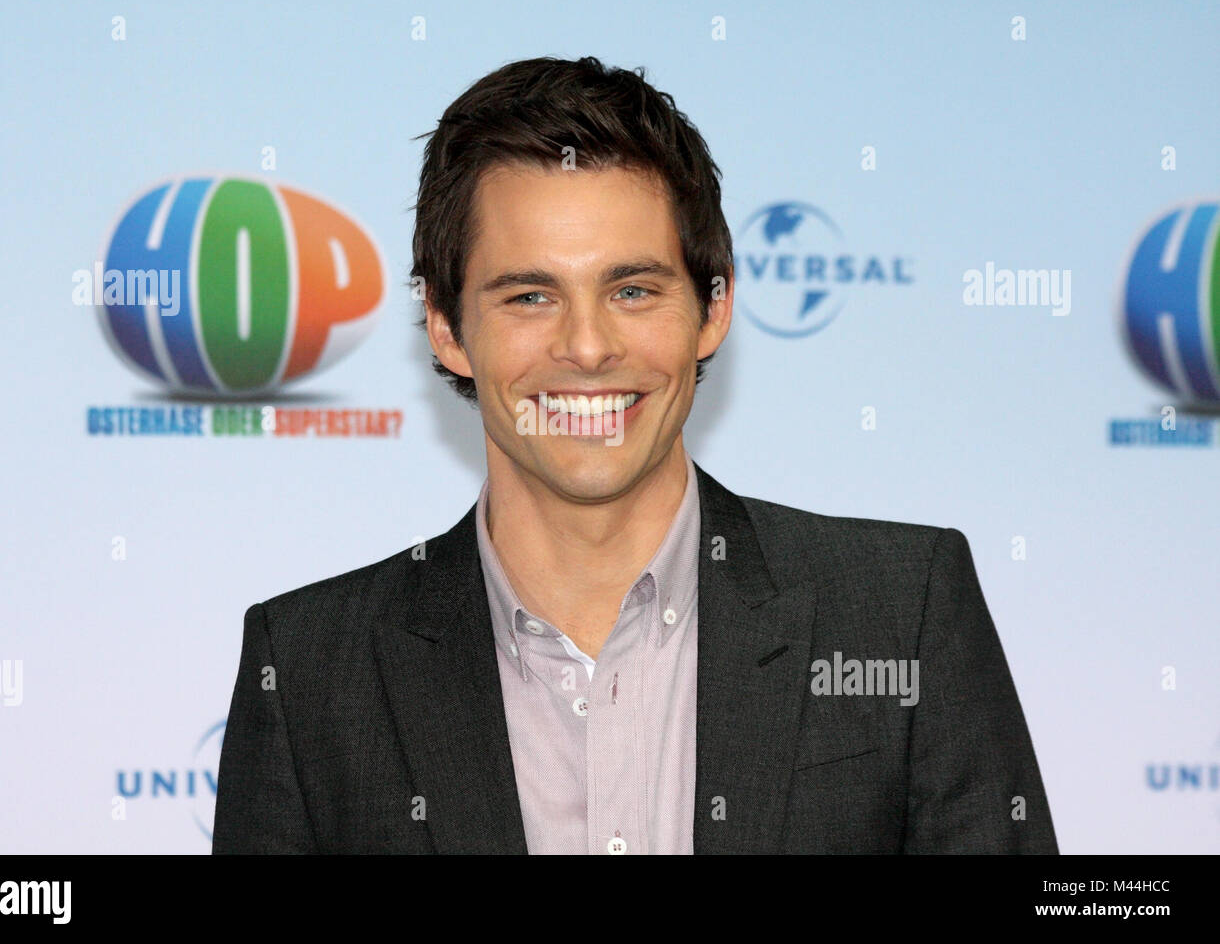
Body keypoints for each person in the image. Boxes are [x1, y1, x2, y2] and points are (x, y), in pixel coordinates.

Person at [213, 55, 1058, 855]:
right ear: (444, 325)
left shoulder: (900, 612)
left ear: (713, 307)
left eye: (633, 290)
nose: (587, 347)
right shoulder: (313, 672)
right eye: (531, 295)